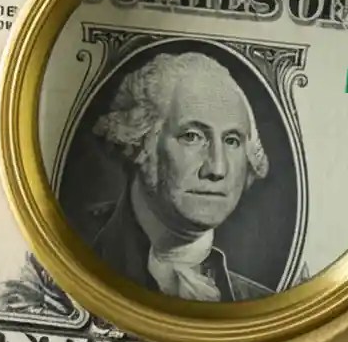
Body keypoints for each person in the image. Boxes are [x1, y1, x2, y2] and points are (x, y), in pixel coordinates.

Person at [85, 50, 273, 302]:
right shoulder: (66, 267)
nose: (217, 169)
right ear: (140, 141)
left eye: (231, 140)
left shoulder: (261, 301)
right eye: (192, 137)